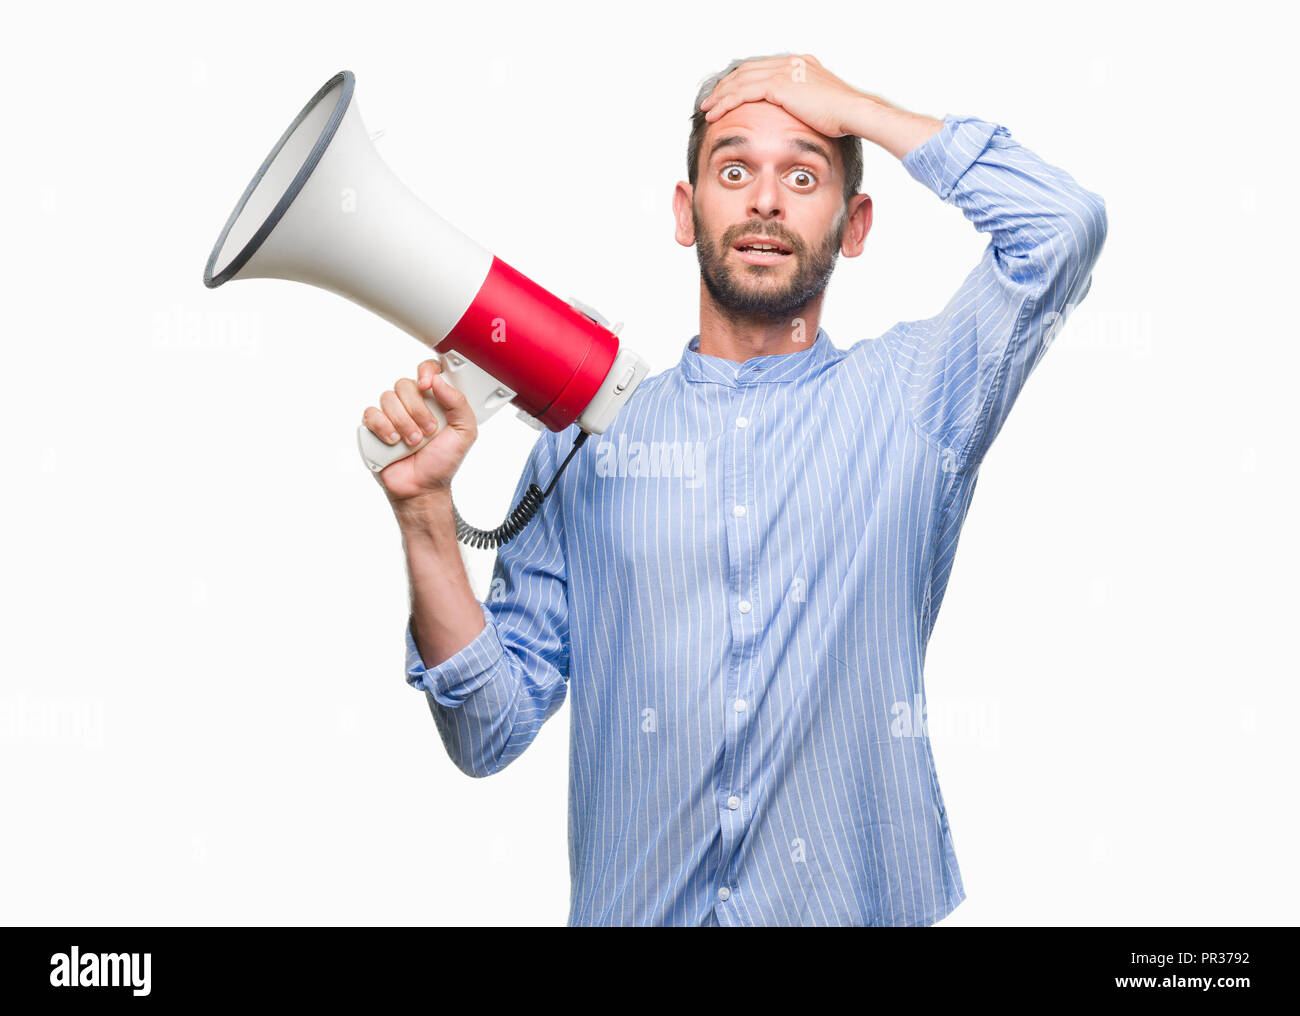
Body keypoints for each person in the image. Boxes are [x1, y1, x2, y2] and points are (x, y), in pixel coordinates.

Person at [361, 53, 1108, 926]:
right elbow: (488, 732)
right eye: (733, 169)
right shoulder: (587, 436)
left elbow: (1062, 226)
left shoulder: (919, 399)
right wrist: (424, 519)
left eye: (803, 173)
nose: (764, 201)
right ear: (687, 212)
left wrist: (857, 108)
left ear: (854, 225)